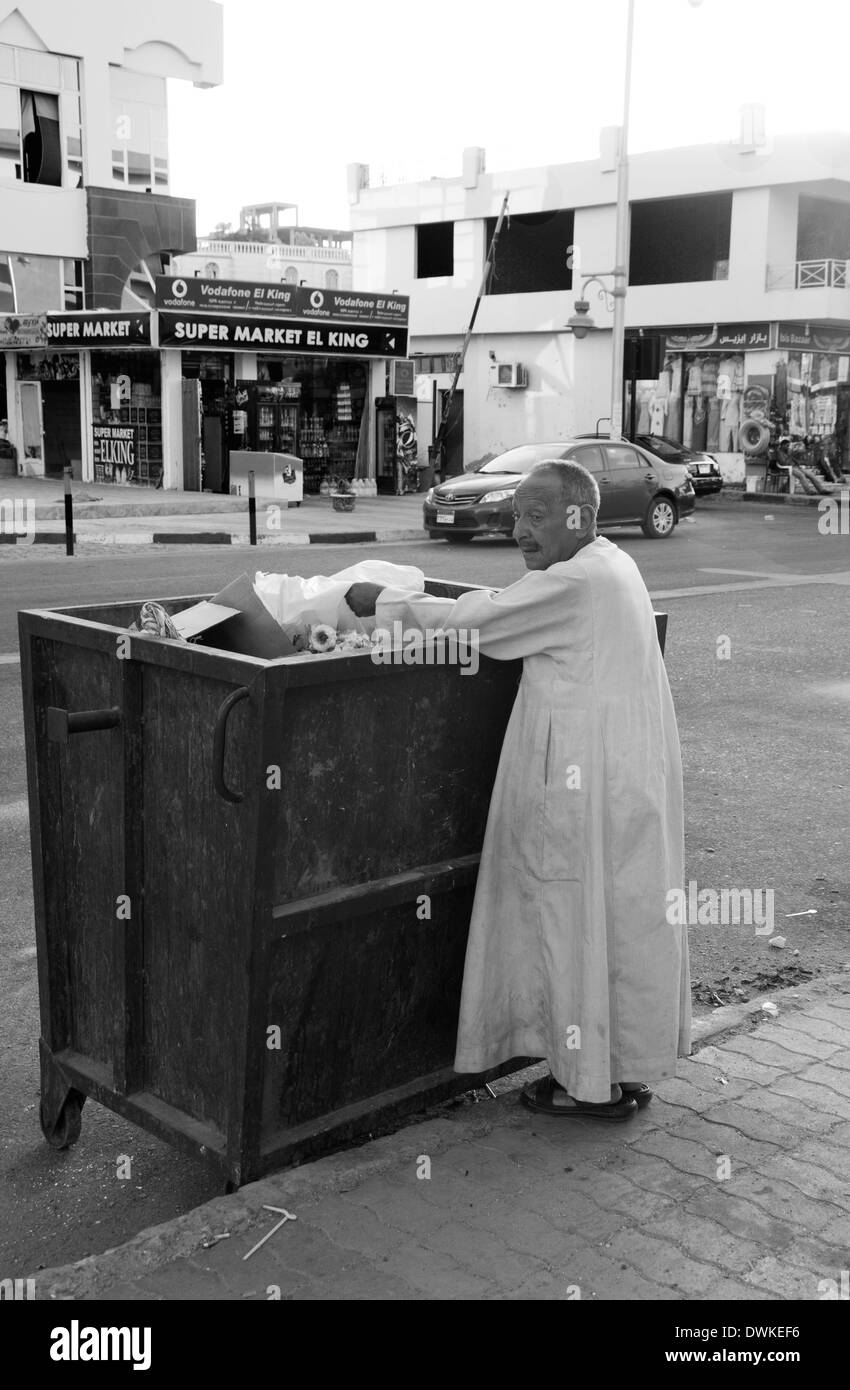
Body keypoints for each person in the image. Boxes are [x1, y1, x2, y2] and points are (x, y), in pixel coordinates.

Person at [347, 459, 690, 1120]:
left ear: (579, 516)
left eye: (536, 515)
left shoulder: (579, 581)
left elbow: (481, 624)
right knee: (607, 927)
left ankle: (590, 1086)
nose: (521, 531)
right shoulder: (609, 564)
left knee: (575, 924)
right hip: (615, 781)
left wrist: (381, 604)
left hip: (587, 791)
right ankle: (615, 1070)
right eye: (515, 517)